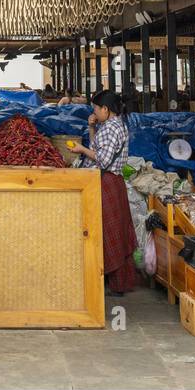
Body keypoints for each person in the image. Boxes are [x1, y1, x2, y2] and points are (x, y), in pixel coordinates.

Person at [68, 89, 138, 295]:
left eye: (96, 109)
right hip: (112, 183)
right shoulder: (112, 125)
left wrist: (81, 149)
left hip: (107, 182)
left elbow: (103, 160)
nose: (94, 113)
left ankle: (113, 280)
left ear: (106, 109)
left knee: (108, 232)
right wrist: (92, 127)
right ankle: (115, 280)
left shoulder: (112, 128)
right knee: (114, 230)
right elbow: (98, 148)